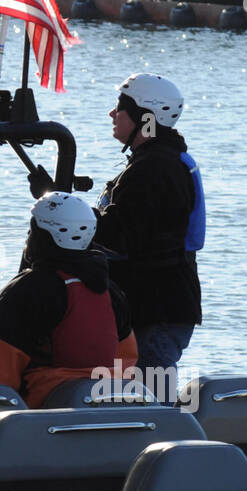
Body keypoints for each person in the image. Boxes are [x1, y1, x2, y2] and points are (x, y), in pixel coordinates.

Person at [0, 192, 138, 408]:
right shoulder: (111, 291)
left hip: (42, 414)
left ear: (44, 236)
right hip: (104, 408)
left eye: (32, 230)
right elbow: (127, 361)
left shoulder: (27, 291)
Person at [93, 73, 205, 380]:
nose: (112, 114)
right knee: (136, 402)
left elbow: (119, 236)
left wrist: (74, 218)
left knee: (148, 406)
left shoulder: (155, 169)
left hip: (156, 311)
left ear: (145, 118)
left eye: (120, 108)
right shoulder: (158, 160)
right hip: (158, 308)